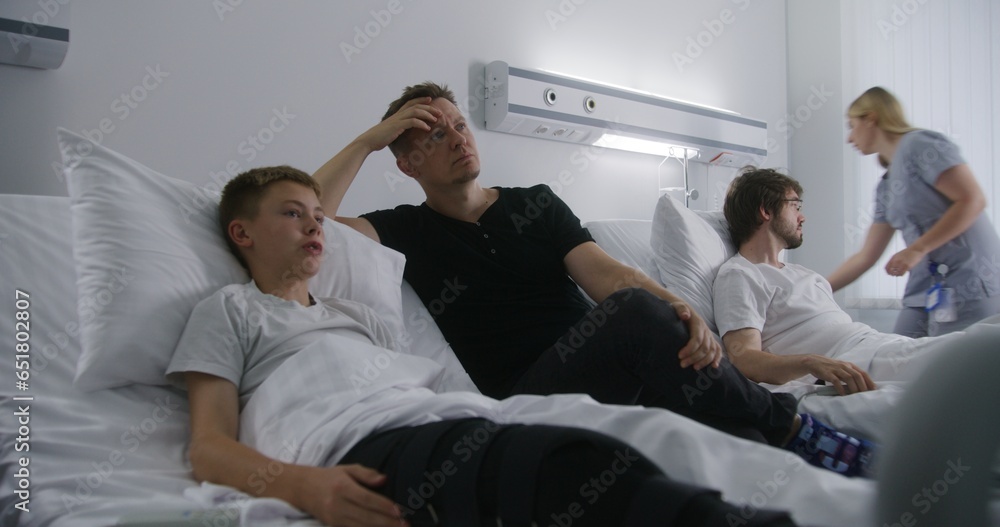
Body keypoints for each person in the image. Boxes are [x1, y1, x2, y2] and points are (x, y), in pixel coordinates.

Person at [165, 166, 818, 526]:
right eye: (291, 212)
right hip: (363, 443)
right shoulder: (230, 310)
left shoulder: (356, 313)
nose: (314, 225)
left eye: (315, 214)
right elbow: (208, 446)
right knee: (571, 466)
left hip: (448, 418)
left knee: (601, 454)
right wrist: (305, 487)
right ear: (241, 233)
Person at [313, 81, 876, 473]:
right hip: (525, 400)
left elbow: (607, 274)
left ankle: (808, 469)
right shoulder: (404, 230)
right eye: (435, 136)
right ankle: (792, 425)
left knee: (725, 424)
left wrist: (680, 312)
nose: (459, 138)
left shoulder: (535, 203)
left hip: (612, 367)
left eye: (460, 125)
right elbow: (304, 221)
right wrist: (369, 138)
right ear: (405, 162)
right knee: (637, 317)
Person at [715, 167, 973, 396]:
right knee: (975, 355)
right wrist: (809, 363)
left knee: (977, 345)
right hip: (854, 361)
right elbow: (744, 358)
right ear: (765, 211)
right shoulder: (740, 274)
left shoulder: (803, 274)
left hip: (877, 346)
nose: (802, 217)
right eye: (795, 206)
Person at [827, 86, 1000, 337]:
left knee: (957, 370)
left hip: (969, 284)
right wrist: (813, 290)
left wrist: (917, 249)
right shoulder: (887, 186)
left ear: (871, 118)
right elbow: (866, 256)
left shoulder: (920, 145)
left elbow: (972, 199)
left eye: (851, 125)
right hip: (925, 292)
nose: (849, 138)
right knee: (898, 360)